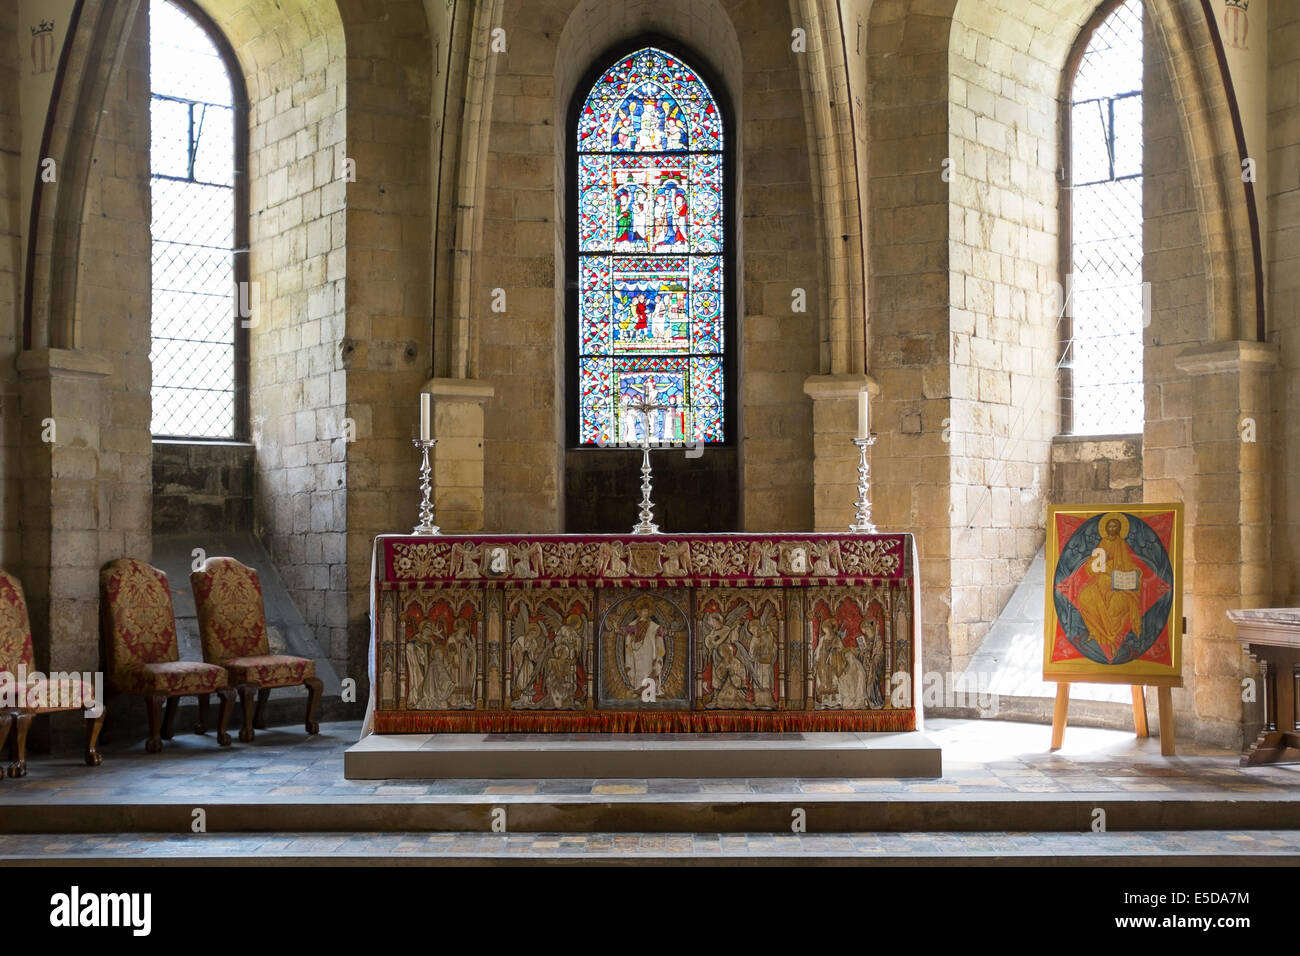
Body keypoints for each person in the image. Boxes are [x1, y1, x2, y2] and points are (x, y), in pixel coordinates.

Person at [1075, 514, 1144, 660]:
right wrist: (1107, 566)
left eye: (1115, 526)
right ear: (1106, 528)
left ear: (1119, 529)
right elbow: (1093, 565)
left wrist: (1136, 571)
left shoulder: (1121, 544)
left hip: (1117, 586)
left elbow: (1127, 564)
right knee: (1085, 598)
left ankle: (1111, 640)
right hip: (1101, 583)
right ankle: (1096, 633)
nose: (1112, 529)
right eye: (1110, 526)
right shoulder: (1103, 543)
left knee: (1114, 607)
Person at [621, 596, 667, 694]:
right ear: (640, 612)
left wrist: (662, 631)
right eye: (643, 611)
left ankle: (650, 690)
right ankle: (639, 688)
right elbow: (627, 630)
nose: (645, 613)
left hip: (649, 650)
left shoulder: (653, 625)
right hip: (638, 651)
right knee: (639, 669)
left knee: (649, 669)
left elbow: (658, 630)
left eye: (647, 611)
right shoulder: (634, 624)